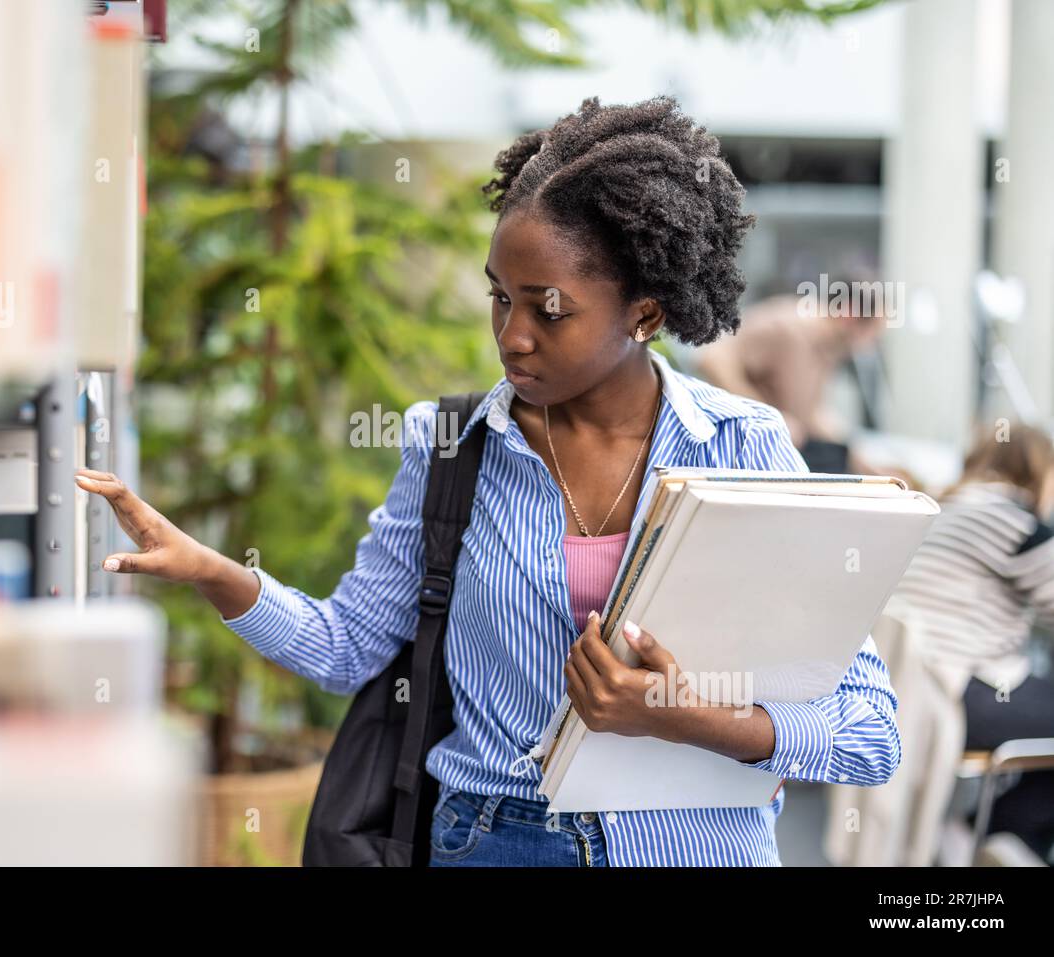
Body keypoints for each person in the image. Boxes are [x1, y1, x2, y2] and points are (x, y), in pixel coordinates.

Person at [77, 95, 901, 867]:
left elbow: (870, 732)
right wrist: (215, 573)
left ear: (645, 314)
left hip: (694, 842)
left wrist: (693, 720)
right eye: (499, 298)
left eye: (549, 310)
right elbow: (345, 647)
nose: (512, 337)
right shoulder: (450, 445)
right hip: (495, 839)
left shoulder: (741, 444)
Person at [892, 421, 1054, 861]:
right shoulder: (1018, 525)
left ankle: (986, 836)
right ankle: (1005, 839)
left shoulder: (942, 507)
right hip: (961, 693)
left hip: (904, 692)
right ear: (1038, 473)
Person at [693, 279, 886, 474]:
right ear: (850, 314)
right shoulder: (785, 325)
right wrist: (766, 417)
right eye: (872, 333)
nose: (869, 345)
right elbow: (711, 358)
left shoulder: (828, 348)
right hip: (735, 451)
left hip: (774, 454)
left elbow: (811, 414)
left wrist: (859, 459)